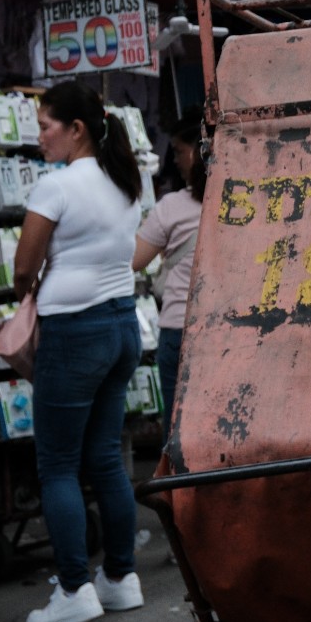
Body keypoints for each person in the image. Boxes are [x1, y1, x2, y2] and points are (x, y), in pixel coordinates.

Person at [13, 81, 146, 622]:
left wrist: (30, 289)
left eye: (45, 126)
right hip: (121, 323)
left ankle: (73, 588)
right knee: (106, 460)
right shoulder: (125, 181)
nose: (39, 136)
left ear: (76, 129)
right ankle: (120, 578)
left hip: (73, 331)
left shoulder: (57, 187)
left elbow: (23, 267)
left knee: (59, 466)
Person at [133, 121, 205, 438]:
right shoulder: (246, 198)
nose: (174, 160)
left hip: (179, 325)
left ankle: (179, 488)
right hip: (228, 327)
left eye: (179, 151)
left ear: (199, 152)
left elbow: (134, 260)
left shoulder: (172, 206)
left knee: (178, 429)